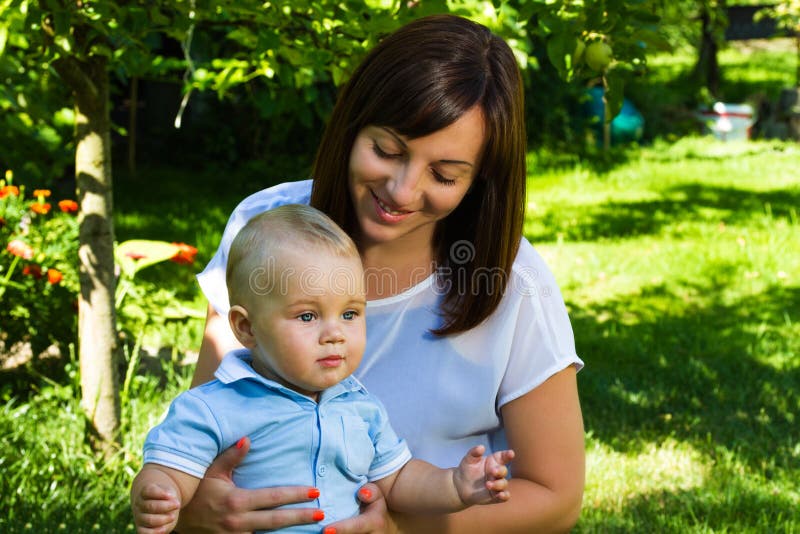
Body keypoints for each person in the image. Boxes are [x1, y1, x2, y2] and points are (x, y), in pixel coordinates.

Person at [178, 13, 585, 534]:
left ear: (480, 178)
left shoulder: (512, 282)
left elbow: (557, 496)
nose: (401, 190)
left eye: (443, 174)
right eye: (387, 150)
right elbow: (203, 432)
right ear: (353, 125)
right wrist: (200, 508)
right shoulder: (265, 231)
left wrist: (398, 529)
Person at [131, 205, 515, 534]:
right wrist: (158, 494)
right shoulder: (215, 407)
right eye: (307, 315)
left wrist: (455, 485)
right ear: (246, 328)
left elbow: (398, 479)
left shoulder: (359, 405)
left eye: (350, 313)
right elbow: (169, 469)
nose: (334, 334)